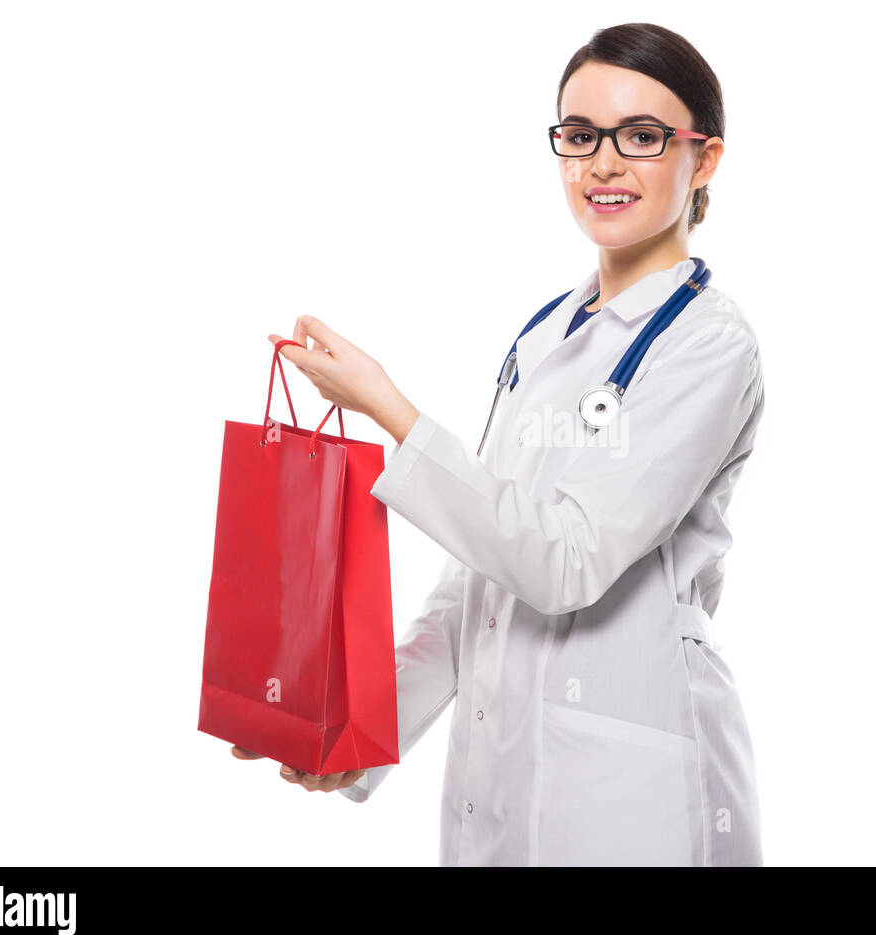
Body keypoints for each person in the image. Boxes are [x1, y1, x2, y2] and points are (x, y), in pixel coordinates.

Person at [236, 22, 766, 866]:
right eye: (580, 136)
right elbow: (478, 580)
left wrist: (389, 410)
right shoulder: (544, 335)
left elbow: (565, 562)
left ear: (703, 160)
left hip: (632, 793)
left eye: (640, 136)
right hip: (503, 776)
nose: (602, 164)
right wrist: (357, 735)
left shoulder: (708, 344)